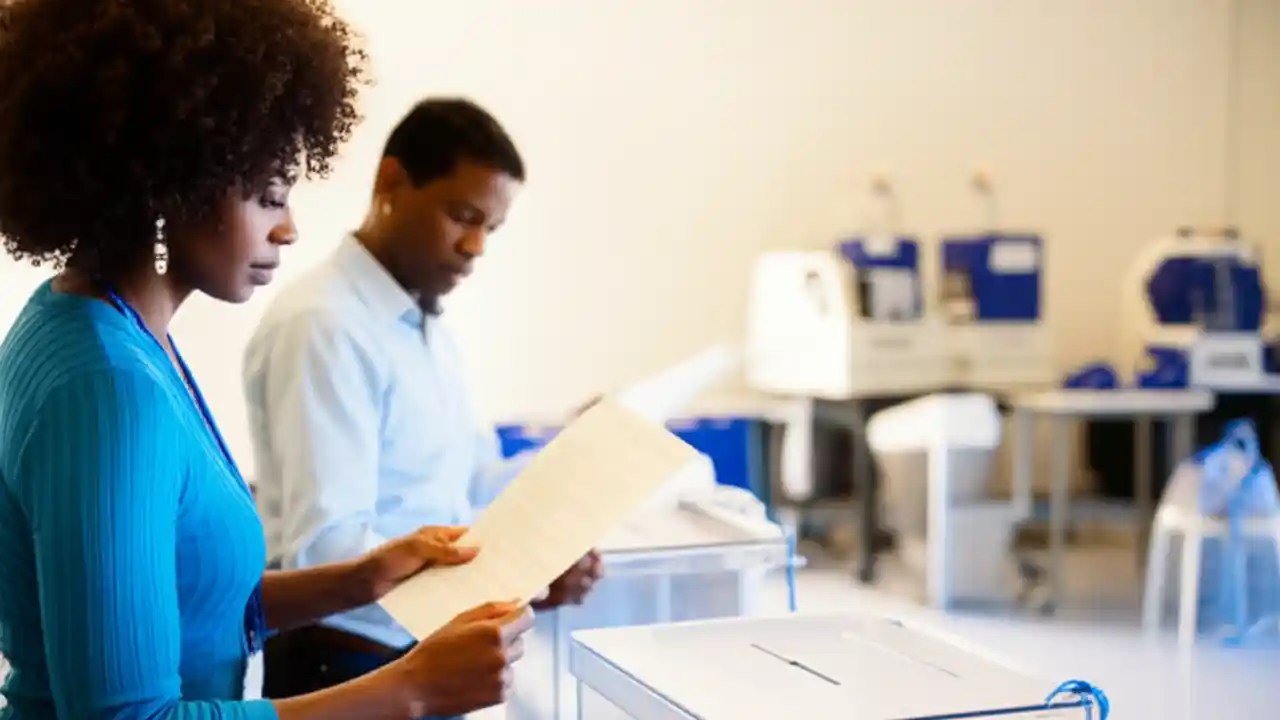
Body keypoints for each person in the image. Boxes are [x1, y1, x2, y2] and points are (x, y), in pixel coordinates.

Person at [0, 2, 532, 719]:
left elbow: (193, 596)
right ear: (170, 185)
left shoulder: (103, 327)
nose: (288, 227)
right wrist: (408, 689)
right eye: (268, 194)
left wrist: (365, 578)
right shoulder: (109, 390)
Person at [243, 98, 605, 699]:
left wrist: (565, 491)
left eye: (492, 227)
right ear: (391, 183)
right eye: (463, 216)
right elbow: (327, 548)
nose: (477, 246)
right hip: (343, 665)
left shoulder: (425, 328)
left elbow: (466, 488)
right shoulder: (324, 324)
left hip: (419, 654)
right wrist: (507, 579)